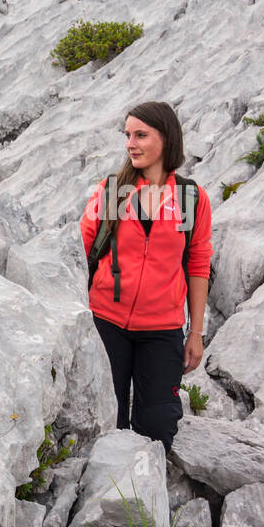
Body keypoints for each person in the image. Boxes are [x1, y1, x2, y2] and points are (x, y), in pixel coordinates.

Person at [79, 101, 213, 453]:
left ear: (166, 139)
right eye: (127, 135)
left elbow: (198, 264)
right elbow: (78, 255)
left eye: (141, 135)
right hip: (105, 321)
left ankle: (143, 499)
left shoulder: (190, 198)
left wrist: (195, 333)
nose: (130, 143)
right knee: (108, 422)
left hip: (162, 329)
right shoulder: (110, 193)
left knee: (157, 428)